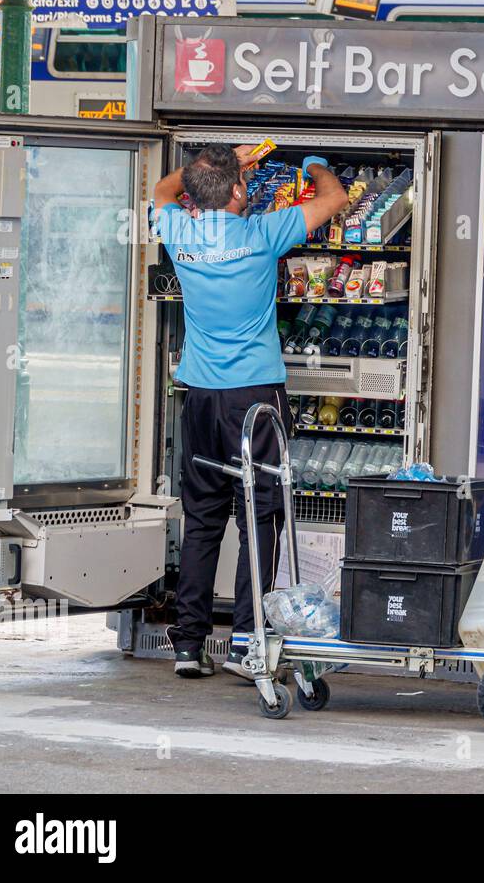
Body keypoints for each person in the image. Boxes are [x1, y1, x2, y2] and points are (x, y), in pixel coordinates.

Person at [153, 145, 348, 679]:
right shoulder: (263, 235)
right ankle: (247, 641)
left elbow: (162, 191)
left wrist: (214, 170)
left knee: (202, 521)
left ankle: (189, 646)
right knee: (259, 519)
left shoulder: (181, 232)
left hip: (199, 397)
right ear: (241, 192)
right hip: (255, 401)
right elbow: (335, 198)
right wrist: (312, 165)